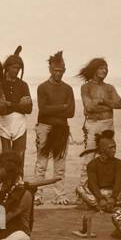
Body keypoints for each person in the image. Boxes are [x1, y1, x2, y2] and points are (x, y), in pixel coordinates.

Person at [34, 50, 75, 205]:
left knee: (60, 165)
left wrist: (54, 108)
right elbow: (43, 110)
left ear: (64, 71)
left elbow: (71, 112)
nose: (58, 74)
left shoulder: (68, 88)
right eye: (55, 70)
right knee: (41, 164)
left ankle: (60, 196)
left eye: (61, 71)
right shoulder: (42, 87)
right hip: (45, 127)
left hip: (62, 129)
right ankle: (37, 195)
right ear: (50, 70)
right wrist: (62, 106)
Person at [73, 128, 121, 237]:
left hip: (112, 195)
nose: (114, 150)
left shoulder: (120, 164)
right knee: (80, 188)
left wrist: (113, 197)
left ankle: (100, 207)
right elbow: (93, 185)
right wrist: (100, 199)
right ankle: (105, 207)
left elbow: (119, 183)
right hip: (98, 196)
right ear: (102, 149)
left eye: (115, 147)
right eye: (111, 148)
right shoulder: (92, 164)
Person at [0, 46, 34, 169]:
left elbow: (28, 109)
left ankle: (18, 183)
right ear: (7, 67)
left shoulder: (23, 85)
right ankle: (5, 185)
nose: (16, 70)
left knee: (19, 157)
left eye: (18, 68)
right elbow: (1, 108)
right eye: (14, 67)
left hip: (20, 124)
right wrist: (19, 104)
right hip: (3, 123)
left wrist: (10, 104)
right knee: (5, 157)